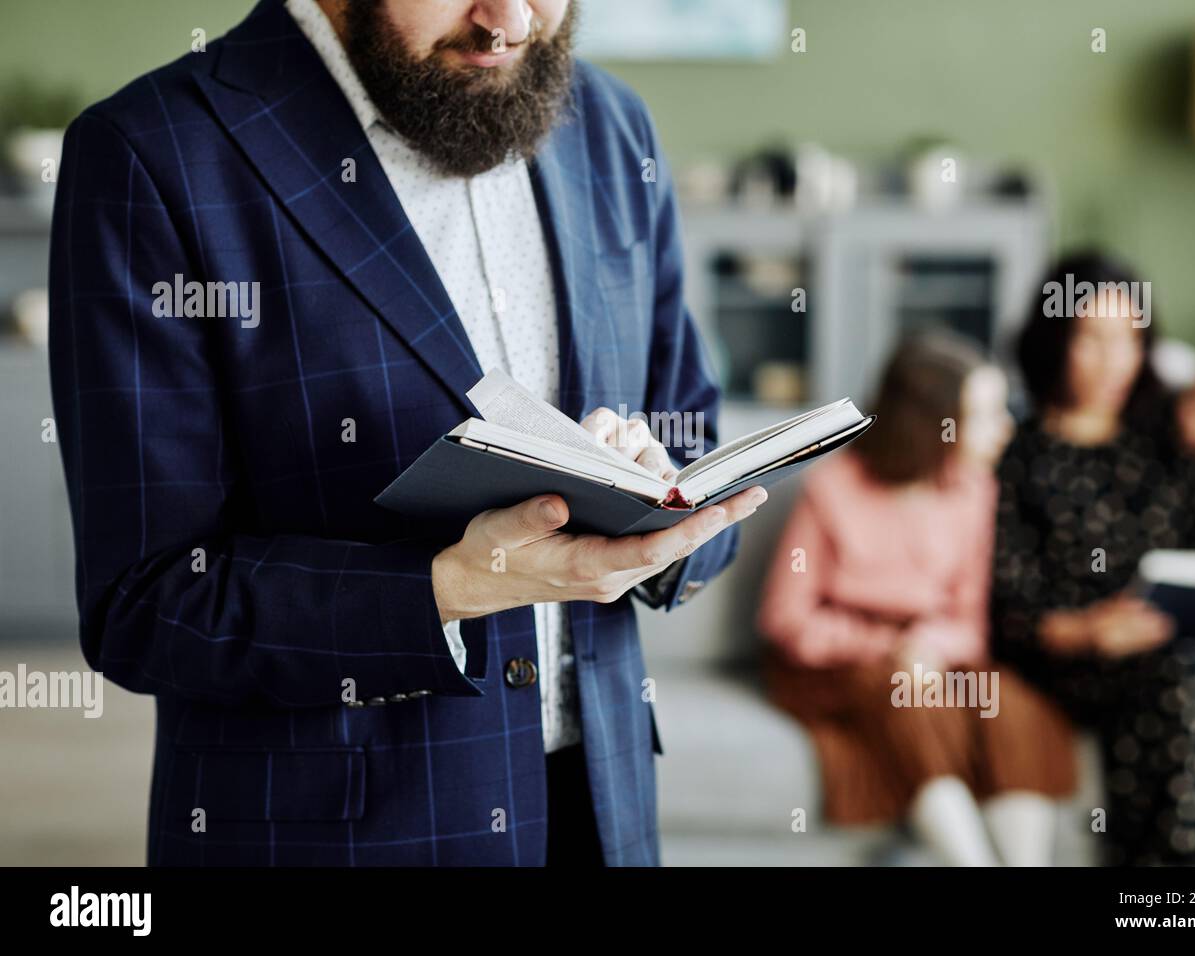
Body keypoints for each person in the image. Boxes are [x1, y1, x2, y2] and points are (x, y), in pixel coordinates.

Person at [47, 0, 766, 867]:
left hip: (602, 817)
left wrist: (664, 508)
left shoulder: (614, 128)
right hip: (339, 841)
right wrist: (447, 587)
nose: (509, 16)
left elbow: (692, 435)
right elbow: (144, 602)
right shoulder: (153, 152)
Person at [993, 250, 1195, 865]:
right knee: (1193, 688)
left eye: (1130, 340)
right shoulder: (1019, 458)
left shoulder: (1162, 439)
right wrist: (1090, 630)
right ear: (1057, 339)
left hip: (1191, 646)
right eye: (1095, 340)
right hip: (1095, 663)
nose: (1116, 361)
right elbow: (1010, 609)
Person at [758, 332, 1076, 867]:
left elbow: (968, 622)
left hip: (933, 656)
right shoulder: (831, 487)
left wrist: (926, 644)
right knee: (909, 701)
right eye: (986, 414)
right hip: (839, 663)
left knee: (1009, 708)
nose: (1005, 428)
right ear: (934, 422)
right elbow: (786, 619)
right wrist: (889, 645)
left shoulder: (975, 489)